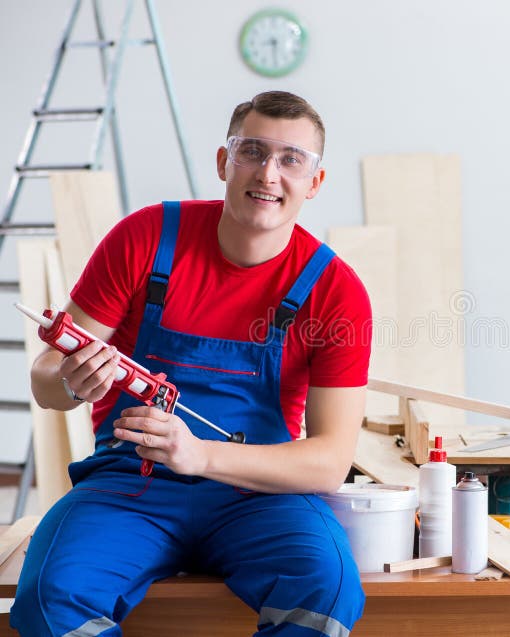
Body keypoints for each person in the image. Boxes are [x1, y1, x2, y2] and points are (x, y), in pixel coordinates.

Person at [11, 91, 371, 636]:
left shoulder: (335, 292)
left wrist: (200, 455)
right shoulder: (146, 239)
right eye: (252, 151)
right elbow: (44, 380)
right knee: (47, 597)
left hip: (260, 495)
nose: (269, 174)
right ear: (225, 162)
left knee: (328, 588)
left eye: (291, 159)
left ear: (315, 183)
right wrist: (71, 381)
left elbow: (328, 461)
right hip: (131, 484)